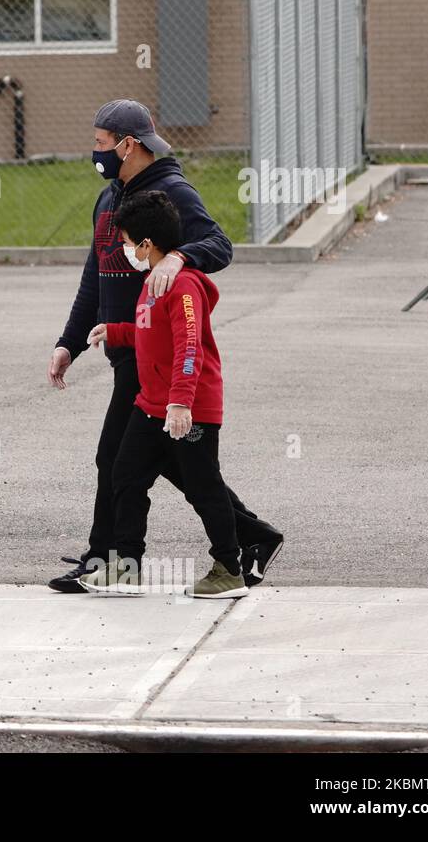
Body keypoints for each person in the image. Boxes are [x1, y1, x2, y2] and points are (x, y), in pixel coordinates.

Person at [47, 99, 283, 593]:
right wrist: (70, 342)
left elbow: (219, 245)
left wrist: (178, 255)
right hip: (126, 348)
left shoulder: (172, 193)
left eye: (99, 143)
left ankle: (110, 560)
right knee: (176, 465)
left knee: (117, 459)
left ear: (127, 145)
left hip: (155, 357)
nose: (94, 152)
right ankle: (252, 535)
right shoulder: (111, 198)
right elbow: (96, 276)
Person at [82, 190, 247, 598]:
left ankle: (229, 569)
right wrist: (116, 331)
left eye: (126, 242)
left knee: (203, 487)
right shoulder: (152, 281)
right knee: (125, 475)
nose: (124, 250)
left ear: (146, 245)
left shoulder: (184, 285)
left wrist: (180, 402)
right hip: (151, 404)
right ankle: (126, 566)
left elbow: (189, 346)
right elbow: (151, 332)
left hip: (187, 407)